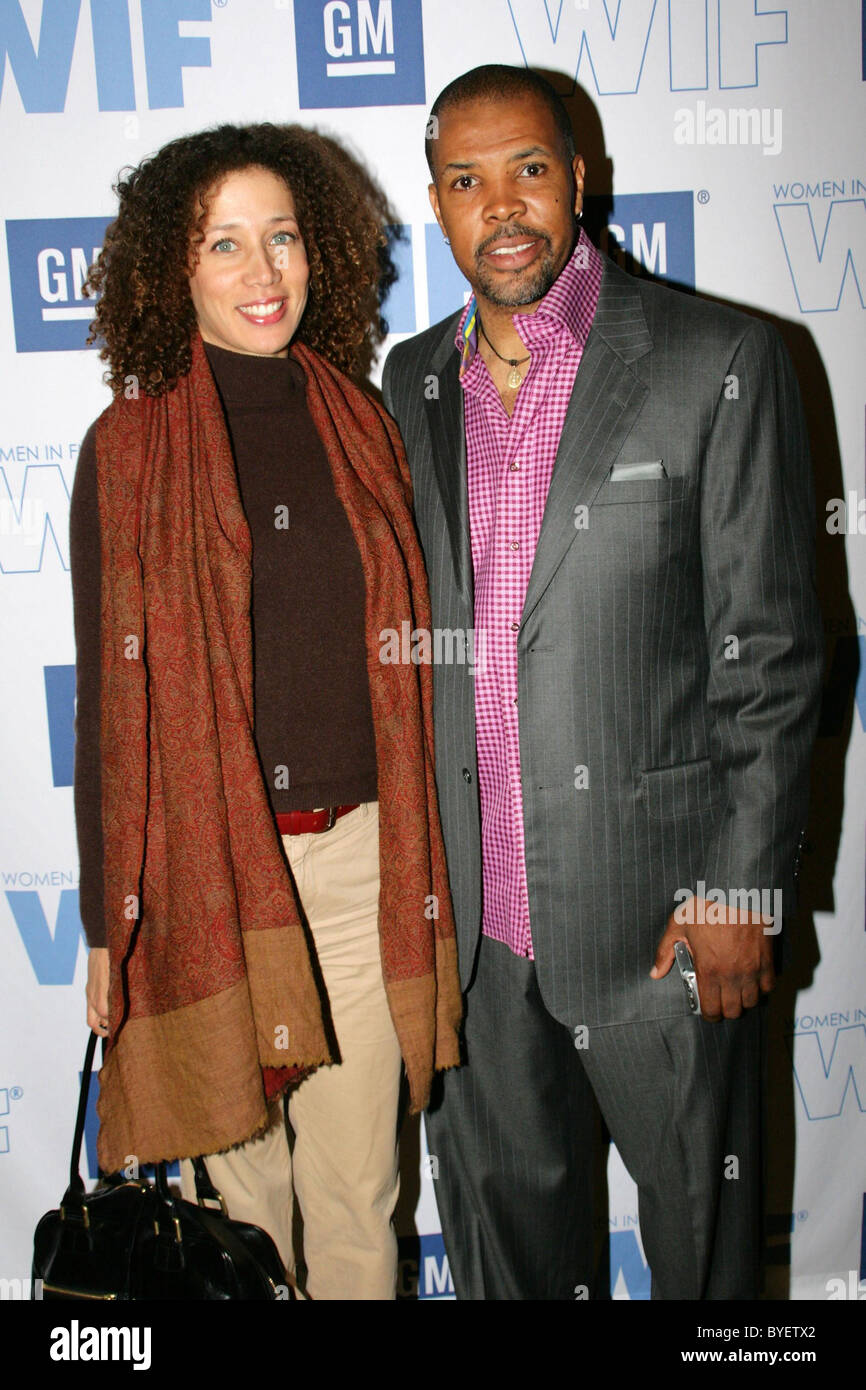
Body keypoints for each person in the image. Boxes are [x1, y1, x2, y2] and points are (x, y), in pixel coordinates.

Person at [382, 65, 823, 1300]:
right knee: (508, 1270)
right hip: (478, 941)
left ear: (579, 179)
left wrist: (741, 888)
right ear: (437, 204)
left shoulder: (716, 358)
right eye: (466, 181)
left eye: (527, 168)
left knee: (708, 1270)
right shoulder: (408, 383)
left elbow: (777, 651)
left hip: (666, 932)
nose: (501, 206)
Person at [71, 121, 461, 1301]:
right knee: (245, 1220)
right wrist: (104, 922)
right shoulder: (128, 447)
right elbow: (106, 700)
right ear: (172, 270)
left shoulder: (361, 421)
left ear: (318, 253)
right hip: (211, 881)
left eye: (281, 239)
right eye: (224, 244)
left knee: (358, 1201)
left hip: (359, 867)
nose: (261, 273)